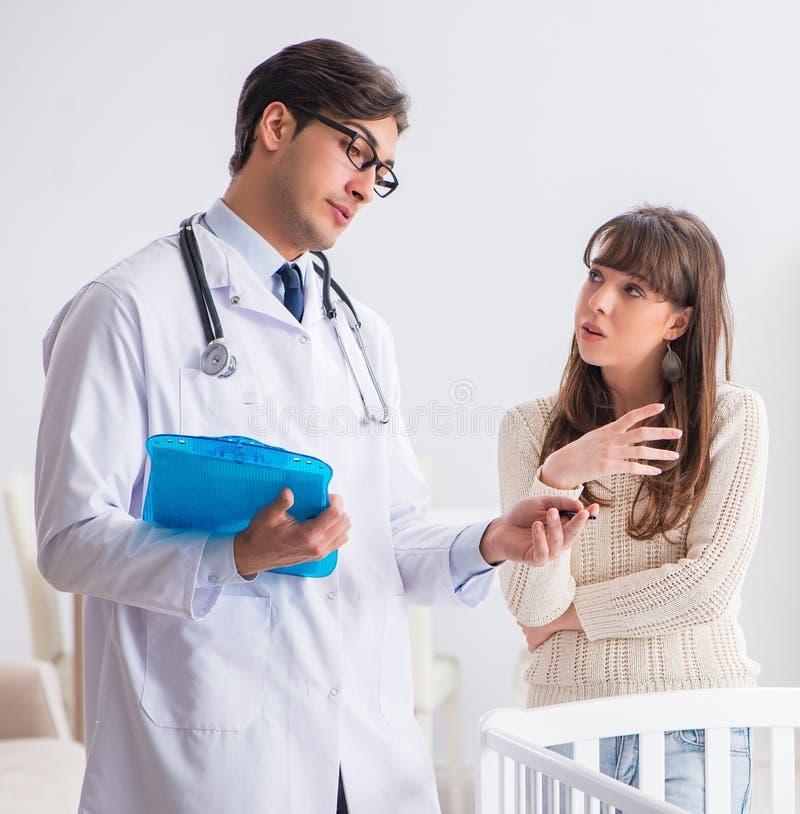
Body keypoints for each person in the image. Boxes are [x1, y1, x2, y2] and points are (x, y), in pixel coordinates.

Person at [35, 39, 594, 814]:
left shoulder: (362, 333)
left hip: (365, 760)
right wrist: (234, 555)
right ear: (274, 126)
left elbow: (390, 535)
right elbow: (67, 540)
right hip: (213, 761)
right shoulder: (125, 309)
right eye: (354, 151)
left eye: (382, 171)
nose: (366, 188)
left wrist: (492, 540)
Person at [498, 205, 767, 813]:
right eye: (595, 276)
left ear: (678, 321)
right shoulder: (529, 429)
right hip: (562, 728)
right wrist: (559, 476)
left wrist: (570, 619)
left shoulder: (731, 418)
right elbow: (528, 604)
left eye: (632, 289)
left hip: (691, 725)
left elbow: (708, 588)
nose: (598, 301)